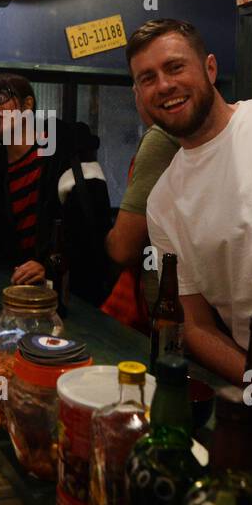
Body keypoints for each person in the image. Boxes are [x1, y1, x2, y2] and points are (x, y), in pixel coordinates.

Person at [131, 19, 252, 384]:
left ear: (210, 68)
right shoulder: (163, 202)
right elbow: (196, 325)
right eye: (147, 78)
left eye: (174, 67)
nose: (164, 85)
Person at [0, 73, 114, 304]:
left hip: (72, 296)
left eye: (0, 98)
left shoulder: (67, 151)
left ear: (27, 105)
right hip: (13, 292)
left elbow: (93, 229)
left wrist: (49, 265)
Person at [100, 90, 180, 332]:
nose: (163, 86)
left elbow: (123, 248)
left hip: (164, 311)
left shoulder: (162, 136)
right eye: (148, 80)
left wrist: (107, 239)